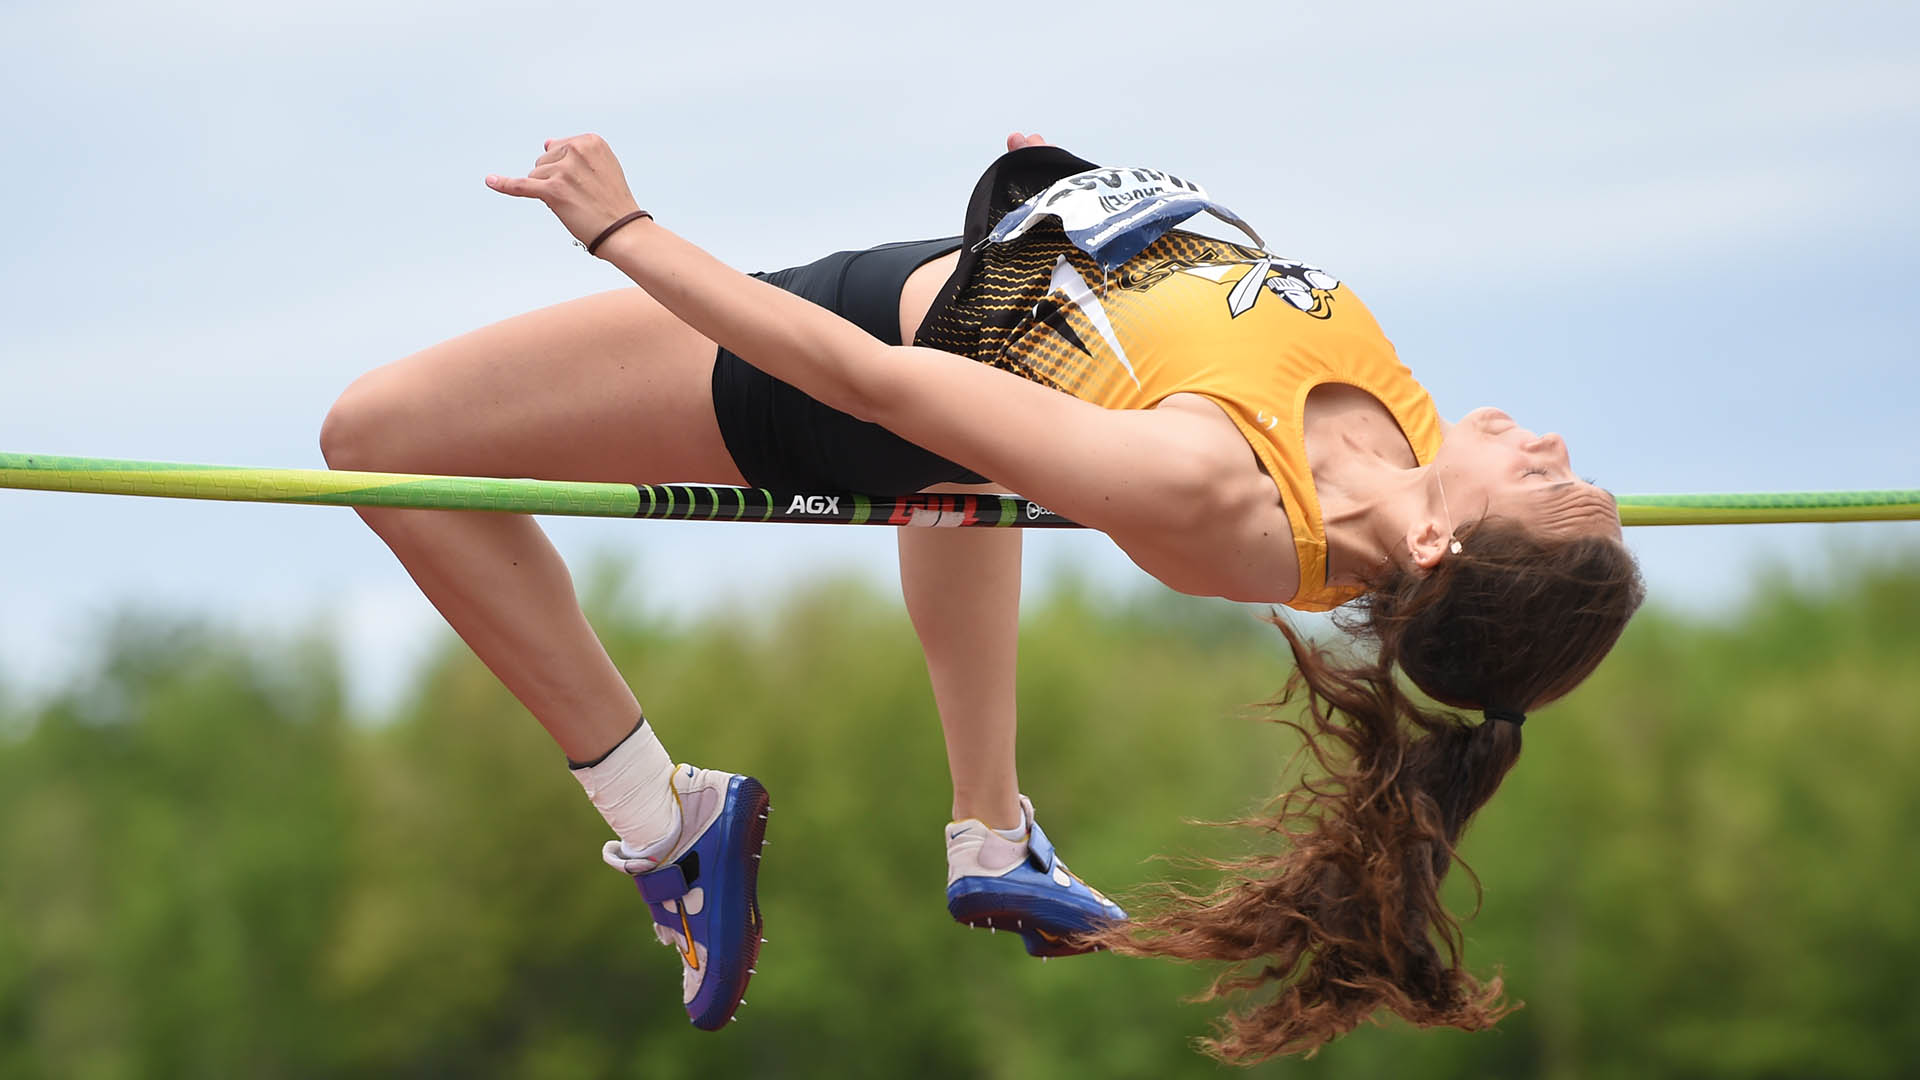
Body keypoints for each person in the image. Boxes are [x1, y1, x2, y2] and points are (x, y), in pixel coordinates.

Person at [319, 132, 1644, 1058]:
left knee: (381, 438)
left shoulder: (1211, 493)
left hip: (842, 364)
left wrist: (626, 231)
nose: (1551, 445)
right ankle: (991, 833)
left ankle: (665, 822)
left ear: (1438, 549)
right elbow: (1172, 321)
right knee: (978, 462)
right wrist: (1079, 194)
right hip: (963, 301)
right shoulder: (1404, 435)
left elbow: (882, 390)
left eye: (1547, 484)